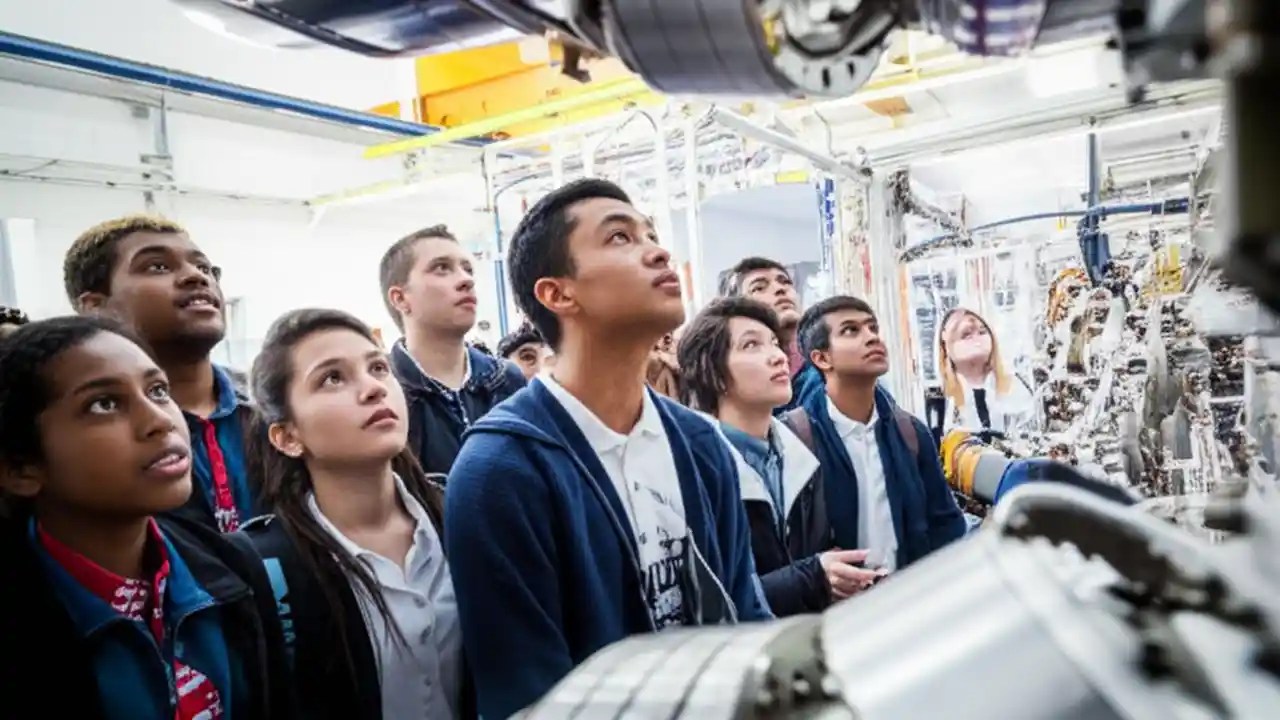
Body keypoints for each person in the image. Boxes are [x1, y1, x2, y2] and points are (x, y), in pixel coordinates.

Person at [446, 178, 770, 719]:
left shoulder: (699, 444)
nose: (658, 250)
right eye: (620, 238)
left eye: (650, 233)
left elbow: (744, 615)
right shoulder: (499, 471)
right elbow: (527, 695)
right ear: (557, 293)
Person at [0, 316, 294, 720]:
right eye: (104, 404)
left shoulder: (231, 567)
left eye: (157, 390)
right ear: (20, 467)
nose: (160, 420)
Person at [239, 308, 469, 720]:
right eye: (332, 378)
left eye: (378, 367)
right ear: (287, 436)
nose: (373, 389)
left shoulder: (462, 514)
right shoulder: (264, 566)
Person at [677, 297, 874, 616]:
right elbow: (712, 597)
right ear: (713, 373)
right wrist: (811, 578)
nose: (777, 357)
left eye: (774, 344)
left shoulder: (805, 453)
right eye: (751, 345)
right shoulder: (695, 469)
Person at [64, 215, 255, 533]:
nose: (196, 277)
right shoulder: (79, 436)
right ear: (96, 307)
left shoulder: (273, 408)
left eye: (204, 268)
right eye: (158, 267)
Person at [796, 296, 966, 572]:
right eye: (851, 330)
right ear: (822, 358)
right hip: (834, 607)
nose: (872, 338)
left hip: (909, 597)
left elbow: (946, 526)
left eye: (873, 328)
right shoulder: (796, 439)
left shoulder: (910, 432)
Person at [378, 225, 525, 475]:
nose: (466, 280)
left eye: (467, 269)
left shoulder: (507, 381)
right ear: (400, 299)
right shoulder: (385, 394)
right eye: (442, 268)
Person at [722, 257, 824, 412]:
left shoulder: (829, 367)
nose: (780, 289)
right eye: (759, 288)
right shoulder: (739, 392)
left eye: (785, 282)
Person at [935, 307, 1035, 437]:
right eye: (966, 334)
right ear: (946, 346)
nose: (976, 339)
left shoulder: (1016, 387)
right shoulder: (940, 400)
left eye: (982, 332)